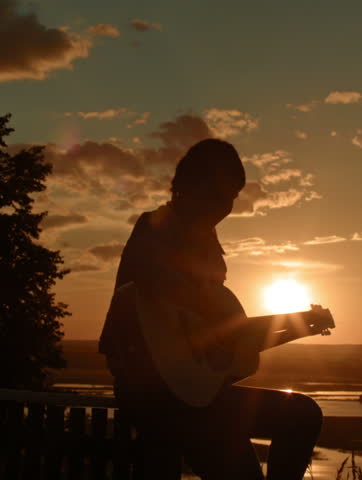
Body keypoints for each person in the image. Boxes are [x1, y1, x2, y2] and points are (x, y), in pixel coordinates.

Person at [99, 139, 323, 479]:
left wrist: (297, 326)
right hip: (161, 400)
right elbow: (148, 289)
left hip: (199, 396)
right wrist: (210, 307)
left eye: (232, 198)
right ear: (191, 186)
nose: (226, 207)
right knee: (297, 417)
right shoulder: (154, 227)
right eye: (220, 195)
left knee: (302, 414)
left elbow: (219, 348)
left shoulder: (204, 243)